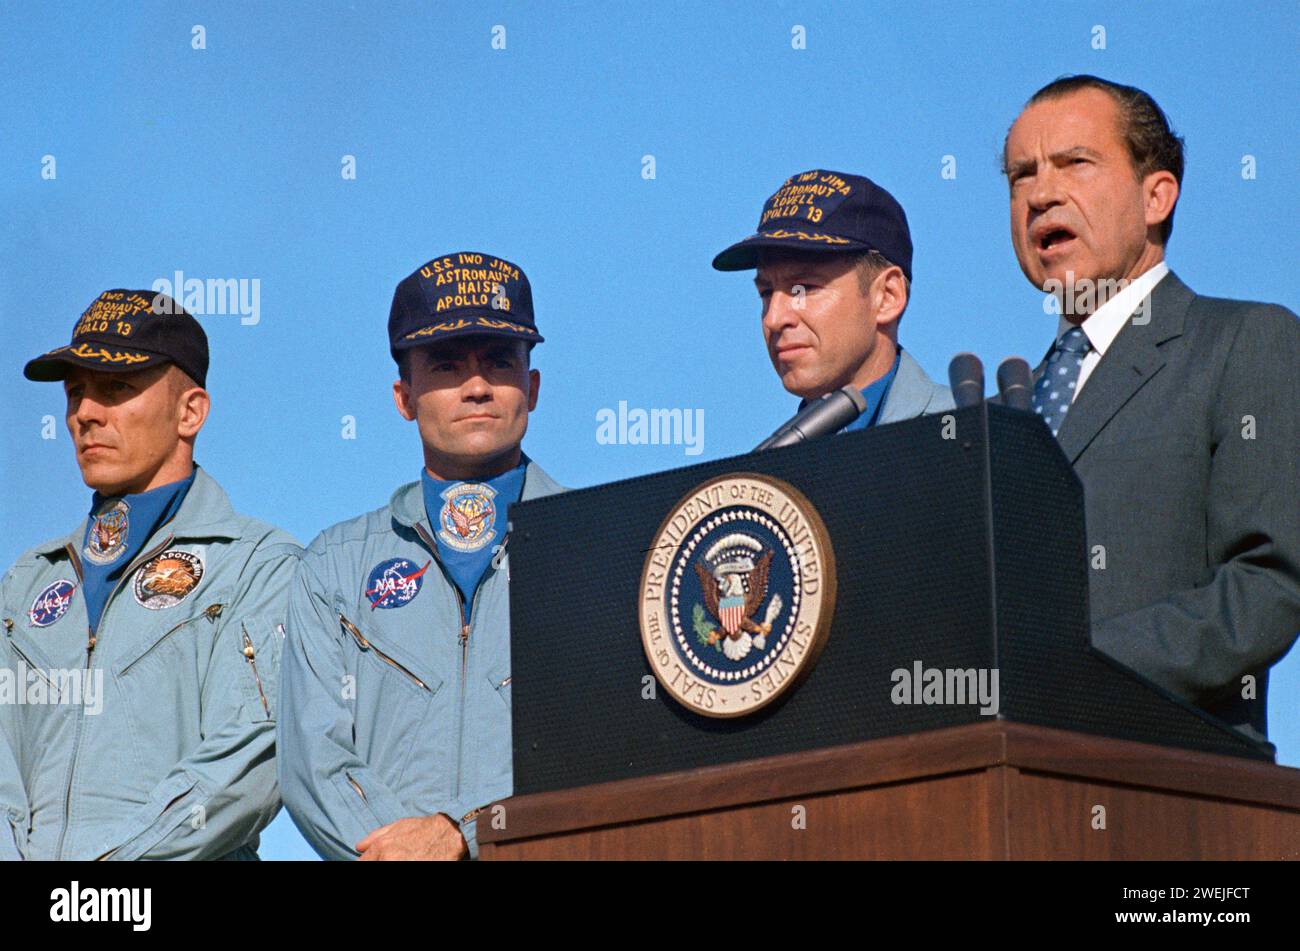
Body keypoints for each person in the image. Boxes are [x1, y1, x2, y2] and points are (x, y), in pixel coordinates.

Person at [1002, 74, 1300, 747]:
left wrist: (1066, 671)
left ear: (1157, 194)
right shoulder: (1001, 412)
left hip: (1173, 788)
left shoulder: (1243, 343)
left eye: (1075, 162)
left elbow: (1266, 589)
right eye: (1022, 174)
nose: (1041, 192)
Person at [278, 251, 566, 860]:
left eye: (499, 361)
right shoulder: (333, 568)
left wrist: (465, 832)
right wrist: (407, 848)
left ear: (533, 387)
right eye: (444, 365)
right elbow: (313, 759)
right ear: (403, 396)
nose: (478, 386)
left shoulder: (600, 545)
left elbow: (607, 746)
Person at [0, 289, 299, 859]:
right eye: (76, 392)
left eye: (115, 388)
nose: (85, 413)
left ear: (190, 411)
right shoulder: (26, 582)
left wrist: (96, 882)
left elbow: (247, 768)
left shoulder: (258, 566)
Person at [713, 169, 953, 431]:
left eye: (803, 289)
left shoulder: (968, 435)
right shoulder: (762, 468)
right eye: (766, 292)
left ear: (887, 296)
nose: (774, 318)